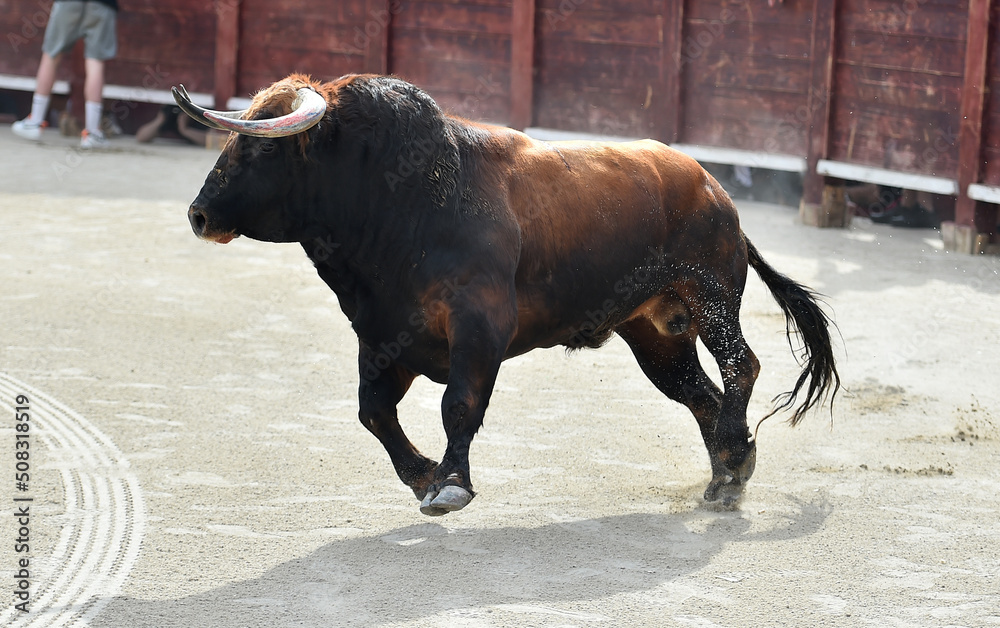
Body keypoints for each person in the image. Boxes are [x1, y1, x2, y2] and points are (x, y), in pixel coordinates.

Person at [11, 0, 118, 149]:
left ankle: (34, 122)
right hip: (102, 4)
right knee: (95, 62)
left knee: (51, 55)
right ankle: (92, 133)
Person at [135, 105, 210, 146]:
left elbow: (212, 141)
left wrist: (185, 130)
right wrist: (160, 120)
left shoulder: (203, 113)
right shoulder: (171, 114)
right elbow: (141, 137)